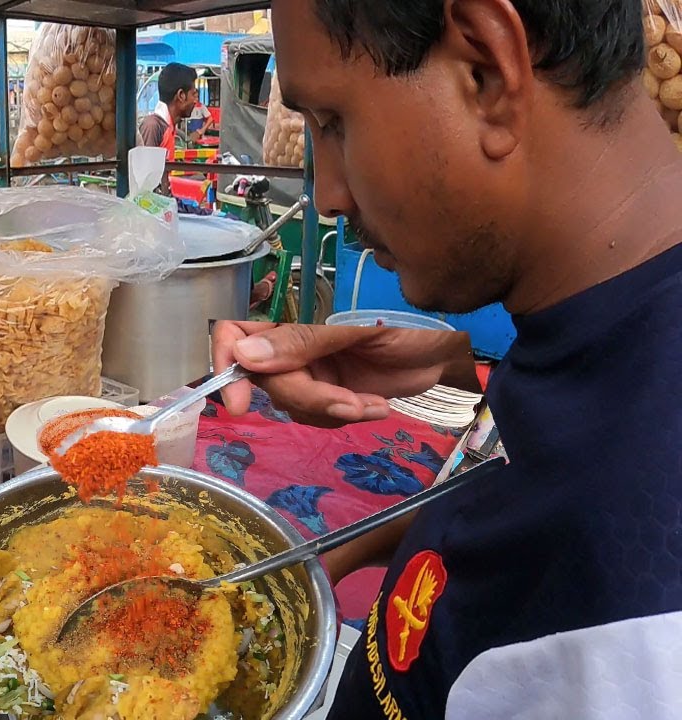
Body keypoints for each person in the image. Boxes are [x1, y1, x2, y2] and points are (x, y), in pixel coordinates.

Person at [213, 1, 682, 718]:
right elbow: (524, 493)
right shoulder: (601, 316)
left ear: (486, 71)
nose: (328, 196)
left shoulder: (643, 624)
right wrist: (450, 367)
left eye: (333, 122)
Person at [137, 62, 197, 195]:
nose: (195, 101)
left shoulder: (168, 127)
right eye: (193, 94)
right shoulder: (153, 126)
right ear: (181, 95)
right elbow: (145, 185)